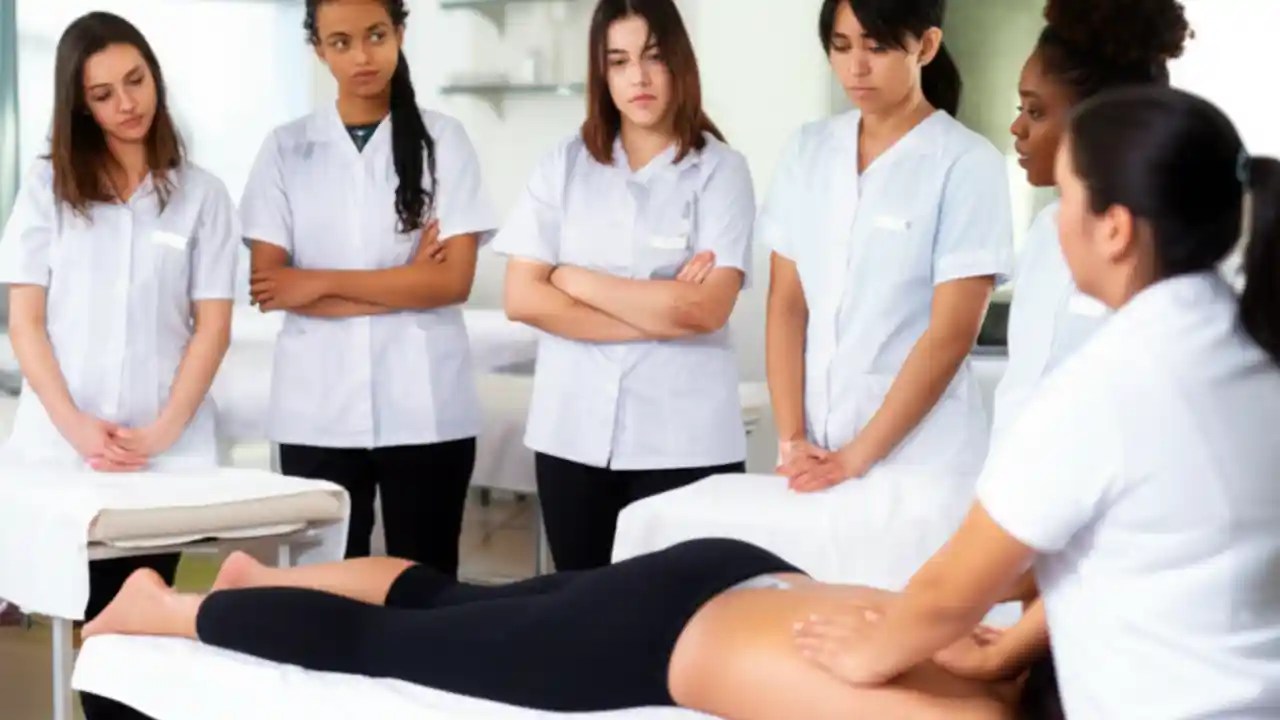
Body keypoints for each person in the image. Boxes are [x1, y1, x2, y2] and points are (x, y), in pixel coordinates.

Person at [794, 86, 1280, 719]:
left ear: (1114, 229)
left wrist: (864, 654)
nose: (1056, 221)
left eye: (1065, 198)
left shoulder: (1110, 385)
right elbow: (1147, 550)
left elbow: (952, 592)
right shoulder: (1252, 350)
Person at [86, 537, 1045, 719]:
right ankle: (165, 609)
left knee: (451, 603)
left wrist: (1013, 640)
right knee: (390, 648)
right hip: (644, 641)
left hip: (734, 571)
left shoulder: (1015, 650)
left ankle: (258, 578)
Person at [0, 11, 238, 719]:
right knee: (87, 627)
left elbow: (212, 328)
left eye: (136, 81)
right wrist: (74, 426)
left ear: (155, 76)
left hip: (161, 455)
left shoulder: (202, 194)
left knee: (137, 626)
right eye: (103, 94)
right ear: (80, 105)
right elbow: (25, 321)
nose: (127, 104)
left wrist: (162, 432)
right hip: (63, 449)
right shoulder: (47, 187)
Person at [493, 0, 756, 570]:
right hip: (571, 435)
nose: (638, 77)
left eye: (653, 57)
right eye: (619, 61)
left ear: (679, 62)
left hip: (684, 441)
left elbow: (706, 310)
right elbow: (521, 297)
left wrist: (570, 278)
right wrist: (661, 311)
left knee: (682, 608)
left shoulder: (721, 171)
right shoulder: (563, 164)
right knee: (582, 606)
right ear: (601, 73)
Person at [242, 0, 497, 573]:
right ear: (318, 49)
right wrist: (408, 281)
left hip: (425, 408)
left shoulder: (444, 140)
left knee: (425, 587)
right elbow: (272, 287)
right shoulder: (285, 149)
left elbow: (452, 280)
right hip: (317, 410)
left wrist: (317, 281)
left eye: (376, 35)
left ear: (400, 32)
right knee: (324, 590)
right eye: (341, 42)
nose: (362, 56)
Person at [766, 0, 1012, 492]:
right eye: (841, 47)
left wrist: (855, 458)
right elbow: (787, 305)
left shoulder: (966, 162)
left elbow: (951, 333)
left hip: (921, 461)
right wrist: (792, 439)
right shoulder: (807, 151)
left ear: (927, 46)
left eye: (876, 48)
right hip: (815, 456)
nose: (856, 67)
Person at [990, 0, 1191, 442]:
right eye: (1021, 108)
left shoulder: (1159, 253)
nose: (1017, 129)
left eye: (1036, 111)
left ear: (1098, 122)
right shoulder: (1046, 229)